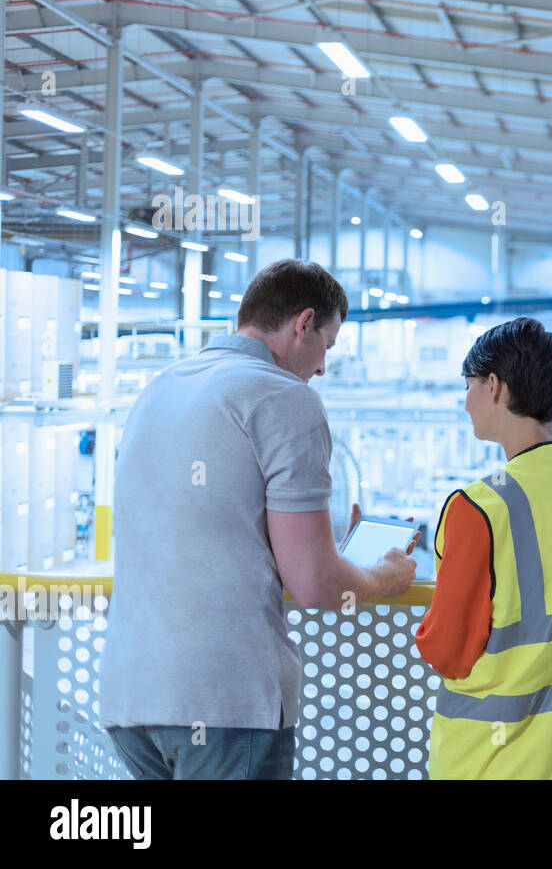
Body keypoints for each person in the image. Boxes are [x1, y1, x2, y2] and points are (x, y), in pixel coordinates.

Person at [100, 259, 418, 780]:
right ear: (303, 323)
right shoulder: (284, 397)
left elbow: (208, 527)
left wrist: (319, 541)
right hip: (224, 703)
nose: (321, 368)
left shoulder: (160, 387)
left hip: (130, 698)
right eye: (327, 346)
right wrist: (387, 574)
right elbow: (315, 585)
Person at [415, 316, 552, 779]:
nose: (465, 402)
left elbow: (447, 649)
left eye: (468, 385)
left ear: (494, 385)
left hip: (497, 762)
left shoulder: (481, 506)